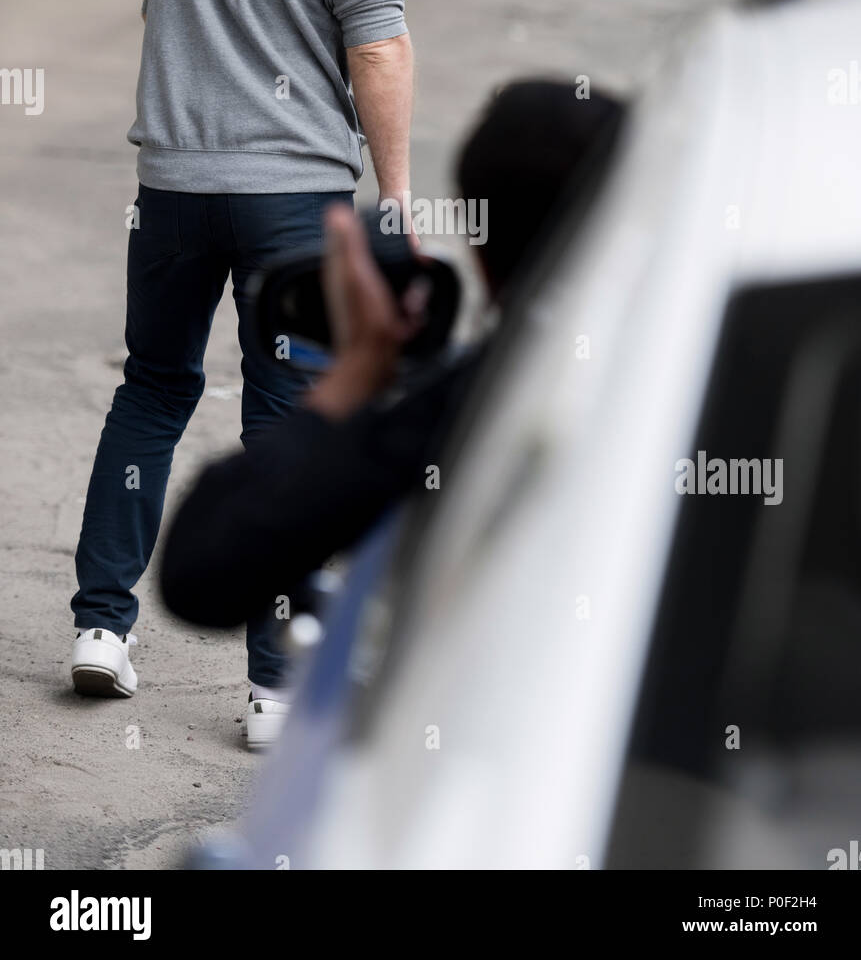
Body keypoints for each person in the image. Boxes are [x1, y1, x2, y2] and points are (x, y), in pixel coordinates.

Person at [69, 0, 461, 749]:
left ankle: (102, 627)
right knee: (289, 411)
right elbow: (377, 44)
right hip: (294, 192)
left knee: (151, 388)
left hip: (176, 182)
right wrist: (397, 191)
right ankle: (273, 686)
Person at [158, 82, 626, 683]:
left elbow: (202, 571)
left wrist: (355, 375)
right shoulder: (732, 372)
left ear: (478, 251)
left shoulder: (473, 405)